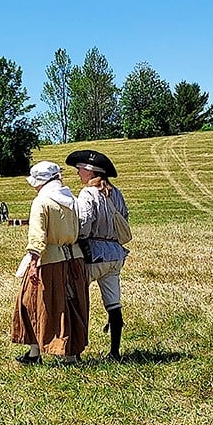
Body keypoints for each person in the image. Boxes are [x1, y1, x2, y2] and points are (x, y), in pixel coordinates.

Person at [11, 161, 89, 365]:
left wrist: (33, 261)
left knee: (33, 303)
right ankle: (51, 353)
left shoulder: (42, 201)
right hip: (74, 259)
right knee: (71, 303)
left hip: (50, 260)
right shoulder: (72, 200)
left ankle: (45, 352)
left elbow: (37, 235)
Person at [65, 149, 130, 361]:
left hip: (92, 254)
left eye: (80, 169)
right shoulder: (117, 193)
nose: (78, 173)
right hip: (115, 254)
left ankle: (74, 353)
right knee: (114, 304)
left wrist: (75, 238)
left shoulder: (87, 193)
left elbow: (84, 224)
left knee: (75, 299)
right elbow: (125, 218)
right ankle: (114, 352)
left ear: (91, 171)